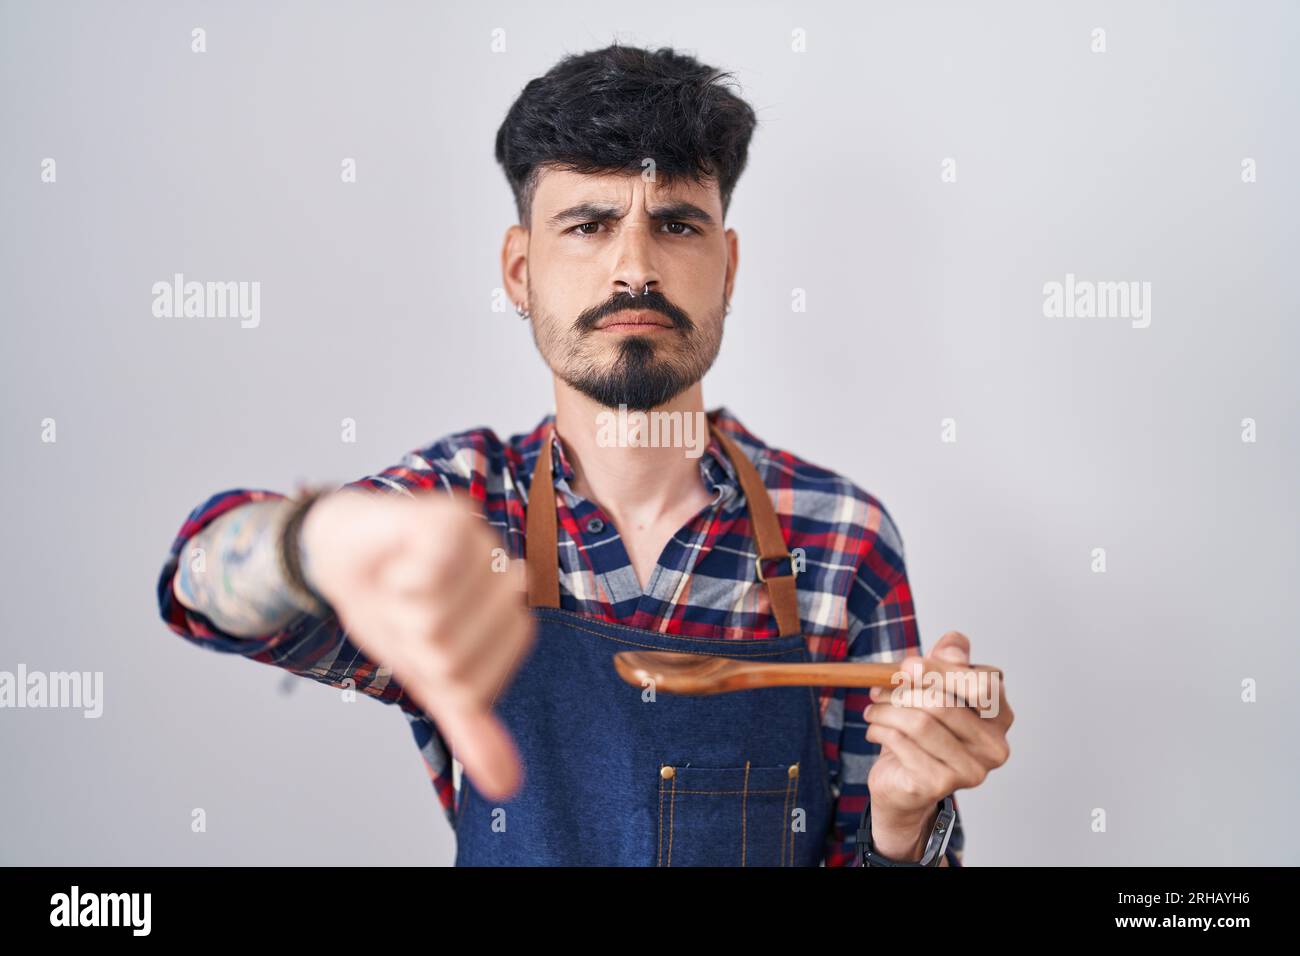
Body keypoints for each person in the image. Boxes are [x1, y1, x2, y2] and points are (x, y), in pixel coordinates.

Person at [156, 43, 1012, 866]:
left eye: (676, 224)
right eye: (589, 225)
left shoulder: (839, 536)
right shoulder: (458, 509)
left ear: (730, 266)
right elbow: (195, 581)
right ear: (520, 271)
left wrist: (903, 827)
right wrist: (308, 544)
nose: (634, 268)